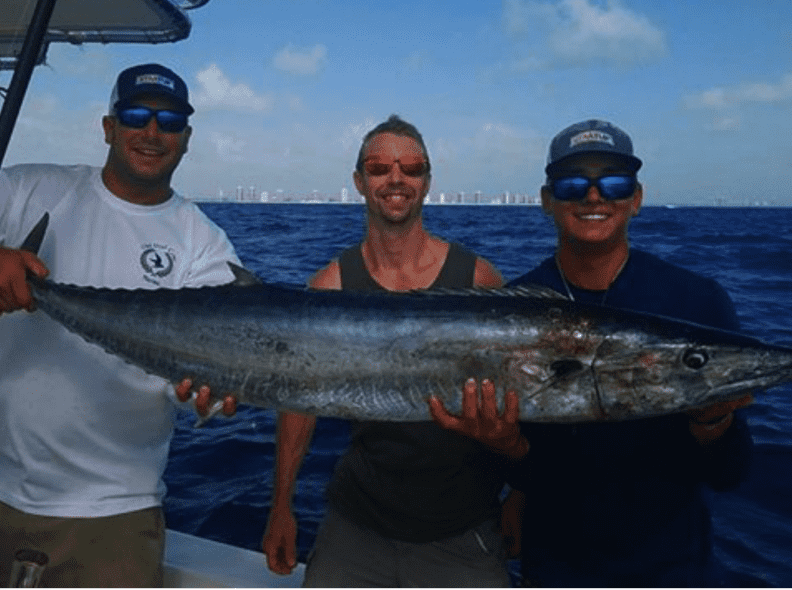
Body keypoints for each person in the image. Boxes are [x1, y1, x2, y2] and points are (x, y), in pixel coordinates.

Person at [435, 118, 754, 587]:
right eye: (572, 184)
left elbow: (730, 475)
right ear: (547, 200)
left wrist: (715, 423)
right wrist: (506, 447)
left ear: (636, 198)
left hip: (677, 568)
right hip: (556, 569)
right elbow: (535, 473)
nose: (593, 196)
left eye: (614, 182)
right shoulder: (508, 312)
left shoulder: (699, 302)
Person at [0, 63, 238, 587]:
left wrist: (208, 395)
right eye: (135, 116)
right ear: (109, 127)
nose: (152, 132)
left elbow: (203, 389)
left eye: (169, 122)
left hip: (114, 518)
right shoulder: (28, 189)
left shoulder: (205, 244)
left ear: (186, 138)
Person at [262, 114, 523, 587]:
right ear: (359, 182)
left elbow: (515, 401)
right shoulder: (330, 285)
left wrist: (520, 495)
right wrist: (282, 504)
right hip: (357, 520)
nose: (396, 179)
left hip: (463, 527)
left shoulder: (478, 278)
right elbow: (299, 403)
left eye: (412, 168)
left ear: (427, 181)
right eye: (380, 168)